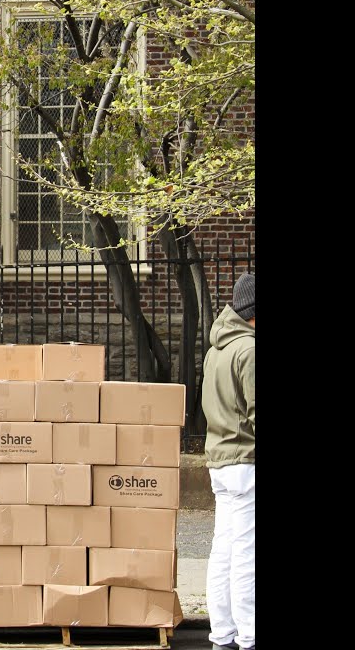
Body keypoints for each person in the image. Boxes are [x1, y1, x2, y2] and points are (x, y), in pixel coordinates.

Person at [202, 272, 255, 650]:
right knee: (247, 552)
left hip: (219, 461)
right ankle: (251, 634)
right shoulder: (249, 350)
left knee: (223, 548)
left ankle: (222, 632)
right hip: (245, 461)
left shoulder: (216, 349)